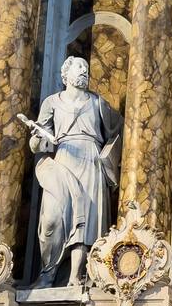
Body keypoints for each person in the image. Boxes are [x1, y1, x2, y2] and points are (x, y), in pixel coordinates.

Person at [26, 56, 123, 289]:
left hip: (90, 159)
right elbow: (36, 144)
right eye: (79, 67)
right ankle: (47, 274)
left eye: (86, 69)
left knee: (86, 222)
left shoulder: (98, 103)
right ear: (66, 74)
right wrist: (39, 139)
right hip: (63, 161)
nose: (84, 72)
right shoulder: (52, 102)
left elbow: (121, 129)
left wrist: (109, 154)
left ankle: (76, 276)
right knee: (51, 218)